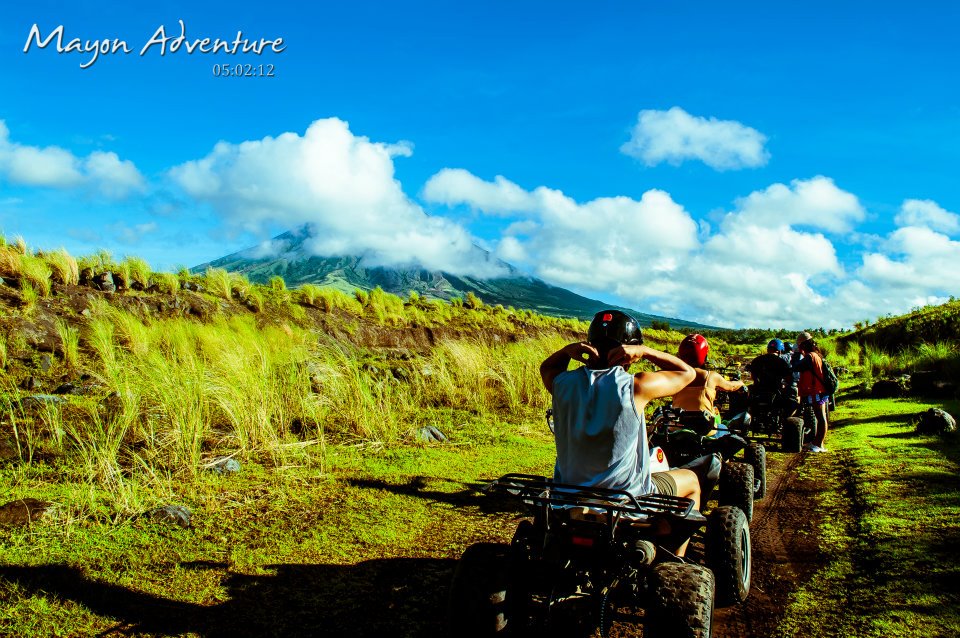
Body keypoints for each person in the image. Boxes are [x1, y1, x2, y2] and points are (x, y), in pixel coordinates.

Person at [539, 310, 701, 519]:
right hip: (626, 501)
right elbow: (688, 373)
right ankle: (674, 550)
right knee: (692, 481)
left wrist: (566, 351)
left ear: (590, 344)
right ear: (629, 350)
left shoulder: (562, 384)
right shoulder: (636, 387)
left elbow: (547, 367)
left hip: (568, 498)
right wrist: (646, 351)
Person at [672, 334, 745, 416]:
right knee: (723, 425)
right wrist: (741, 382)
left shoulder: (674, 376)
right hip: (704, 427)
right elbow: (731, 387)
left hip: (676, 426)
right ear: (705, 357)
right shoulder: (711, 376)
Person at [793, 336, 829, 452]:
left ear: (803, 345)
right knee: (820, 416)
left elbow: (796, 367)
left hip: (816, 390)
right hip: (818, 390)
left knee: (820, 416)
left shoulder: (810, 357)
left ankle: (819, 444)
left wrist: (796, 354)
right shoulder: (815, 355)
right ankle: (818, 443)